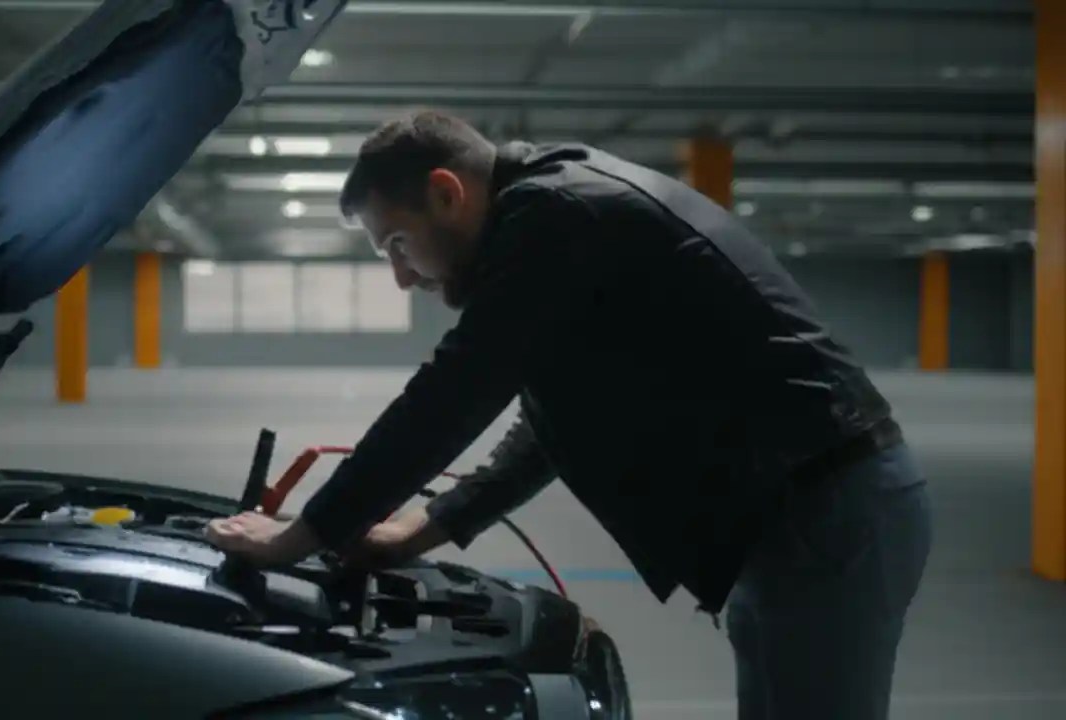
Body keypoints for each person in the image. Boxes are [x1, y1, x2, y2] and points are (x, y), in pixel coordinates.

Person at [205, 109, 933, 720]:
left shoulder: (555, 213)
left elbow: (457, 390)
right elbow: (554, 419)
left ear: (446, 192)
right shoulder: (560, 204)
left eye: (397, 243)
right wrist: (427, 526)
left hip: (826, 514)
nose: (401, 276)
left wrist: (307, 534)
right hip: (800, 516)